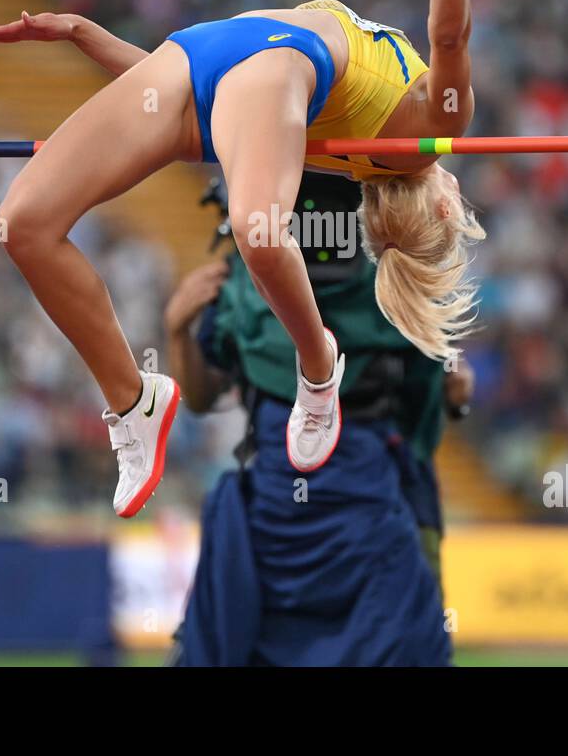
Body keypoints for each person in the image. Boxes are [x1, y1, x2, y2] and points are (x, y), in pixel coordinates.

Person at [0, 0, 484, 518]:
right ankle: (135, 403)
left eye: (461, 208)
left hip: (256, 63)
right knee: (22, 225)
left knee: (260, 228)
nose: (460, 191)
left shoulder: (434, 133)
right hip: (211, 62)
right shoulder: (347, 146)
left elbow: (452, 41)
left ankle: (320, 368)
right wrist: (84, 32)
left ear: (439, 208)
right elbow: (193, 105)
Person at [162, 172, 474, 665]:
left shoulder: (387, 282)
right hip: (286, 515)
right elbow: (201, 397)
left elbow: (437, 381)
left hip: (355, 511)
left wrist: (453, 387)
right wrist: (178, 330)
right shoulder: (241, 288)